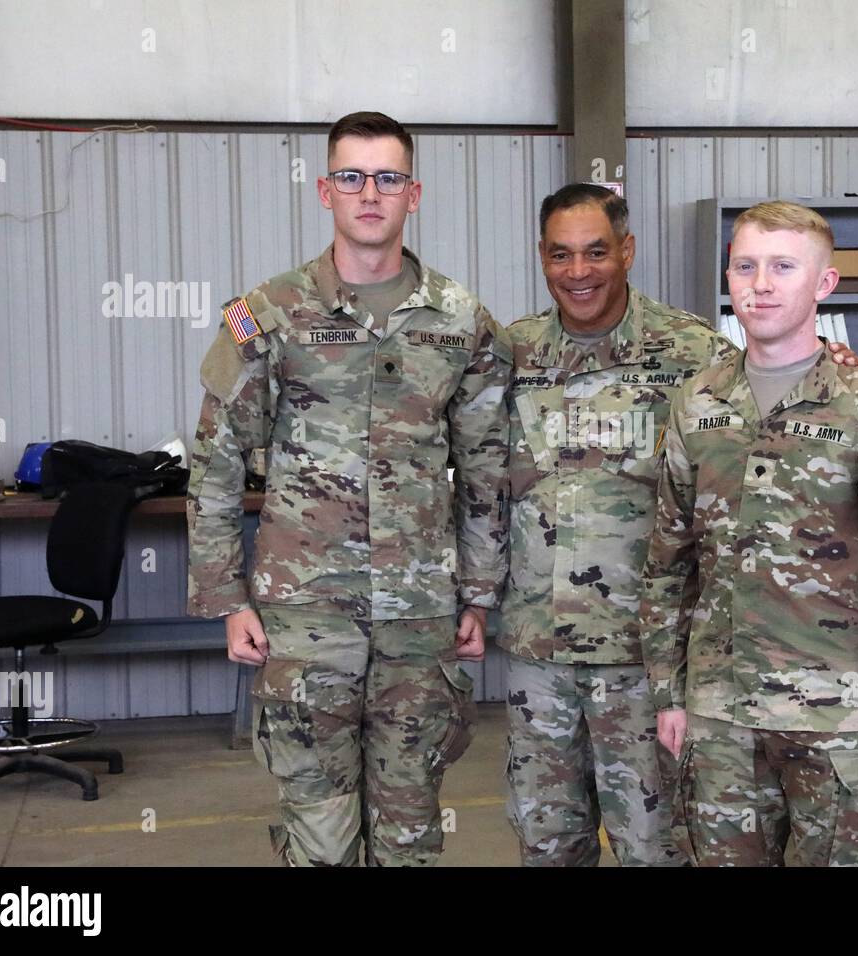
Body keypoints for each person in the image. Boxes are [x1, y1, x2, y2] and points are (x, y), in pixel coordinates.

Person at [500, 184, 858, 865]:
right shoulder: (509, 354)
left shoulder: (693, 352)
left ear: (627, 251)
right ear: (543, 258)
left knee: (658, 846)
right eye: (561, 255)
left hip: (647, 663)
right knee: (545, 843)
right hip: (536, 655)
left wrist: (836, 368)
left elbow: (780, 404)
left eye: (595, 252)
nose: (577, 272)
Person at [186, 111, 511, 867]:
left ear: (414, 194)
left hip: (419, 619)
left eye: (388, 178)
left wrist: (478, 594)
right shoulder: (266, 316)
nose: (371, 193)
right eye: (353, 177)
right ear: (325, 190)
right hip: (305, 618)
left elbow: (489, 468)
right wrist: (228, 598)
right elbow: (218, 463)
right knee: (322, 837)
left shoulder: (461, 323)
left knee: (409, 832)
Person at [639, 200, 858, 867]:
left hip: (836, 720)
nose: (759, 284)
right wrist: (667, 695)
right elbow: (668, 561)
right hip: (719, 716)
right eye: (745, 266)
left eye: (782, 267)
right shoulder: (697, 404)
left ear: (823, 283)